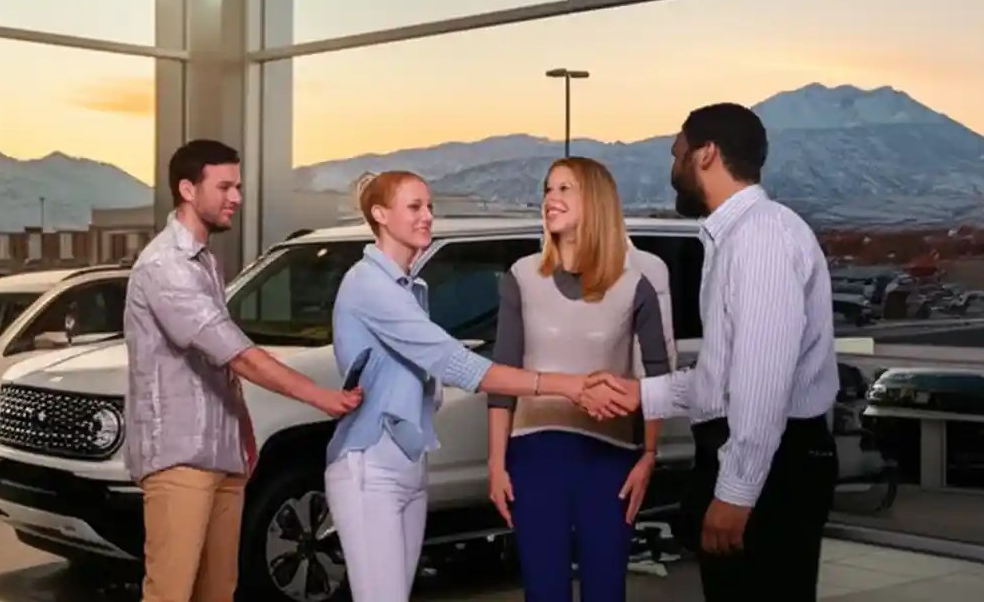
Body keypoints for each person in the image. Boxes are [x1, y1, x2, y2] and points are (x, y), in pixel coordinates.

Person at [324, 170, 624, 602]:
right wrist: (569, 386)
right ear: (380, 215)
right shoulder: (368, 284)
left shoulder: (411, 287)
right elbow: (454, 363)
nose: (428, 216)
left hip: (407, 464)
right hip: (370, 466)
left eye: (430, 206)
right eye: (415, 207)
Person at [593, 104, 840, 602]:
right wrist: (640, 393)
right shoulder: (736, 237)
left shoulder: (761, 237)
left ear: (706, 154)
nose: (673, 168)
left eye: (677, 154)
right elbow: (726, 375)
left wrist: (737, 491)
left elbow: (762, 382)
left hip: (774, 466)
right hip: (764, 457)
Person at [124, 139, 363, 602]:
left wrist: (243, 430)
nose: (236, 197)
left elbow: (216, 369)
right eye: (225, 186)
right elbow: (238, 354)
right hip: (180, 459)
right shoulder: (165, 267)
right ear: (188, 190)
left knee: (219, 592)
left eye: (238, 186)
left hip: (222, 455)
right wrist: (323, 397)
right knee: (170, 593)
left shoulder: (205, 263)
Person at [486, 157, 676, 602]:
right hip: (533, 456)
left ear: (596, 200)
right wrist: (496, 464)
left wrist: (649, 455)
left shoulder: (636, 286)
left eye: (564, 189)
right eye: (548, 189)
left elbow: (659, 377)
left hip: (612, 460)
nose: (551, 199)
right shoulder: (521, 277)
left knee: (606, 589)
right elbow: (501, 379)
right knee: (544, 589)